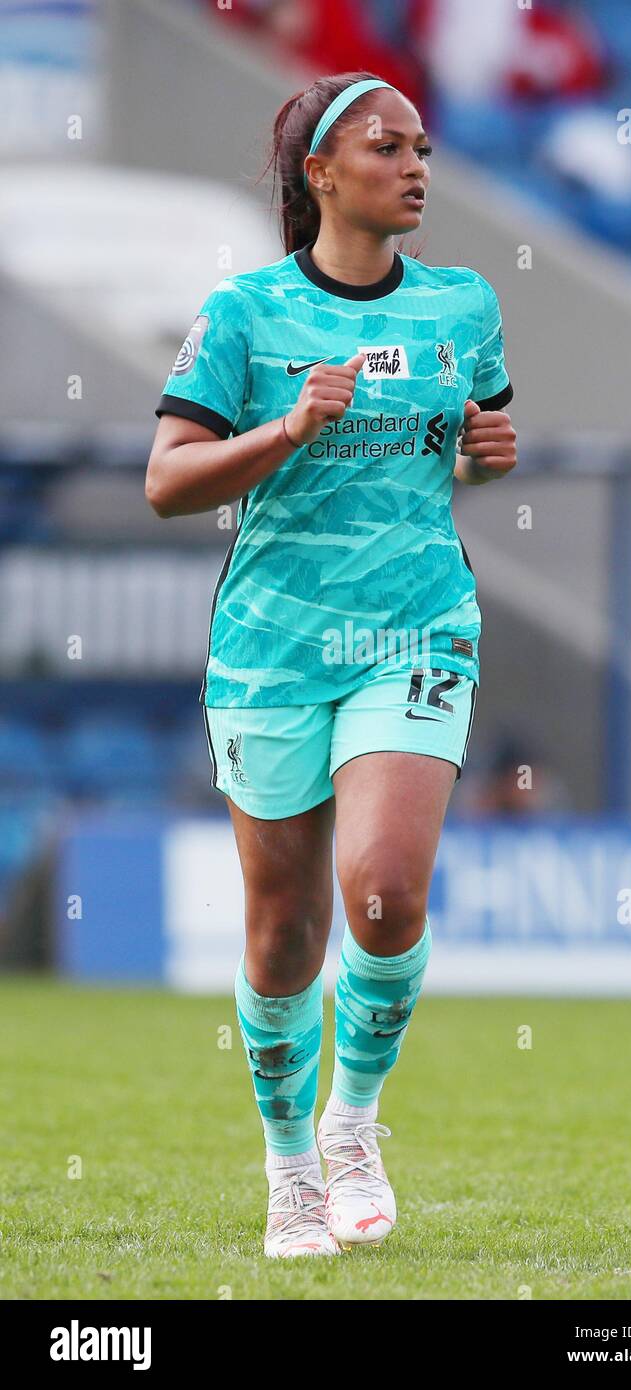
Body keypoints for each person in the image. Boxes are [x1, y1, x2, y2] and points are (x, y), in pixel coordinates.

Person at [145, 71, 516, 1259]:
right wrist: (286, 429)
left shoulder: (461, 308)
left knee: (384, 887)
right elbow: (165, 481)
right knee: (279, 930)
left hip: (415, 629)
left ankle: (352, 1123)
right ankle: (288, 1163)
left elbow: (470, 455)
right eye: (384, 146)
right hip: (272, 651)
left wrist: (489, 457)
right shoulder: (245, 313)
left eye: (420, 146)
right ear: (319, 173)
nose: (414, 166)